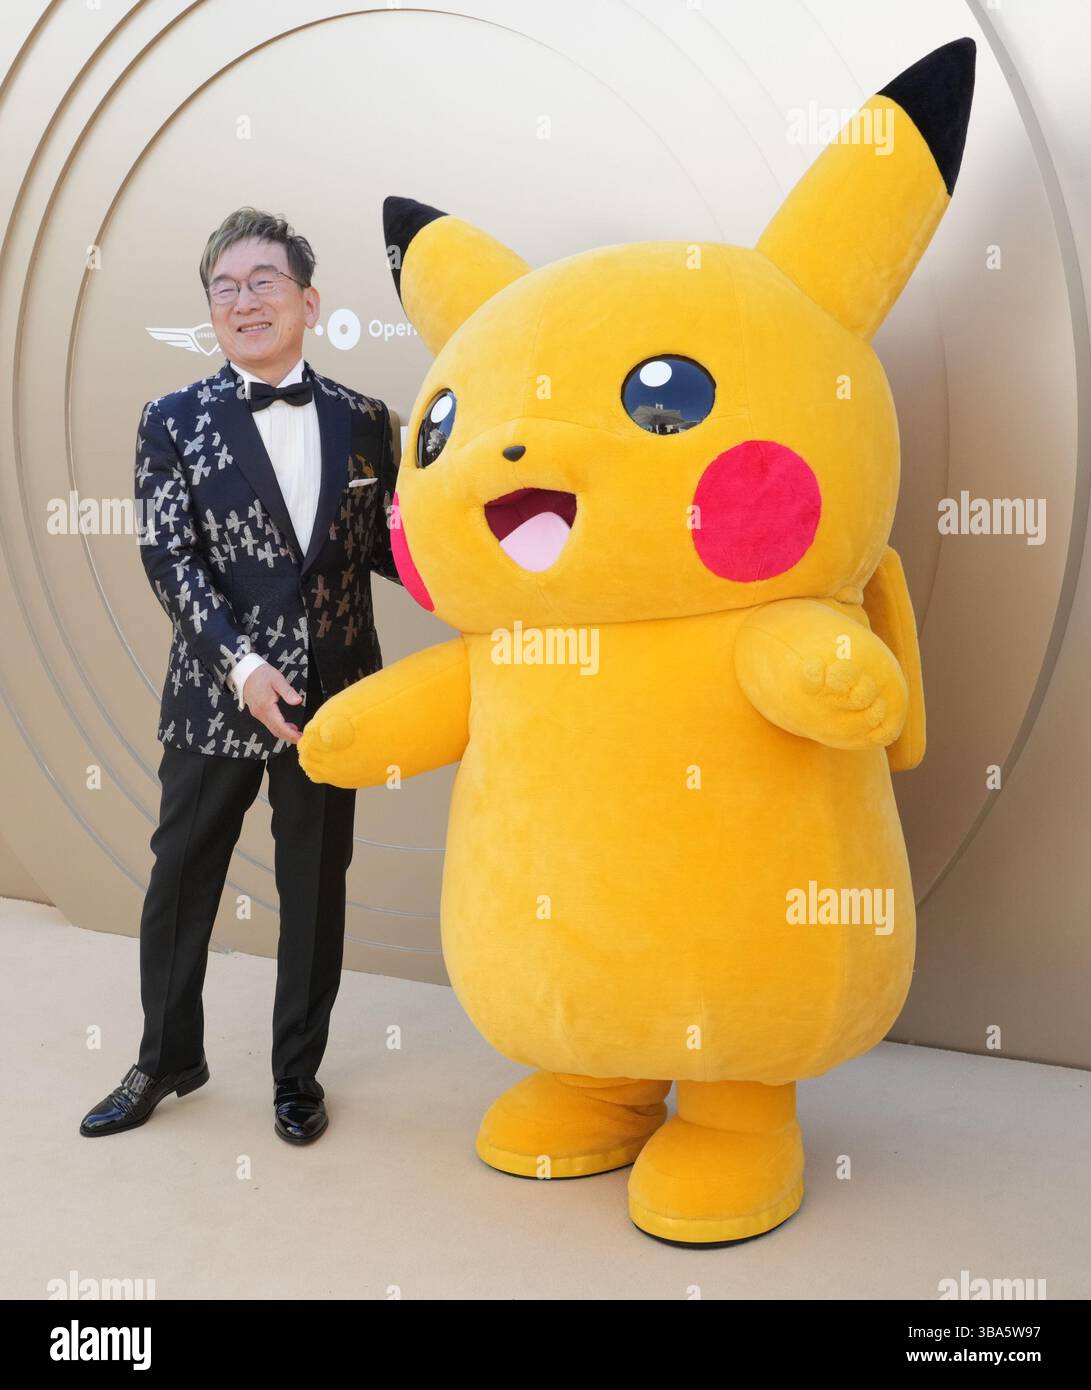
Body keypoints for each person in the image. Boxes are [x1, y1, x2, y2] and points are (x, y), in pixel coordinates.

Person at [79, 207, 401, 1144]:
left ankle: (295, 1076)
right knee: (181, 877)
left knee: (314, 885)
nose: (243, 300)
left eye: (263, 281)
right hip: (218, 693)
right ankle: (166, 1056)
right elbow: (168, 558)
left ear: (308, 298)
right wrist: (244, 665)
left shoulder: (365, 421)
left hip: (334, 699)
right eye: (224, 288)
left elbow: (388, 547)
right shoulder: (172, 419)